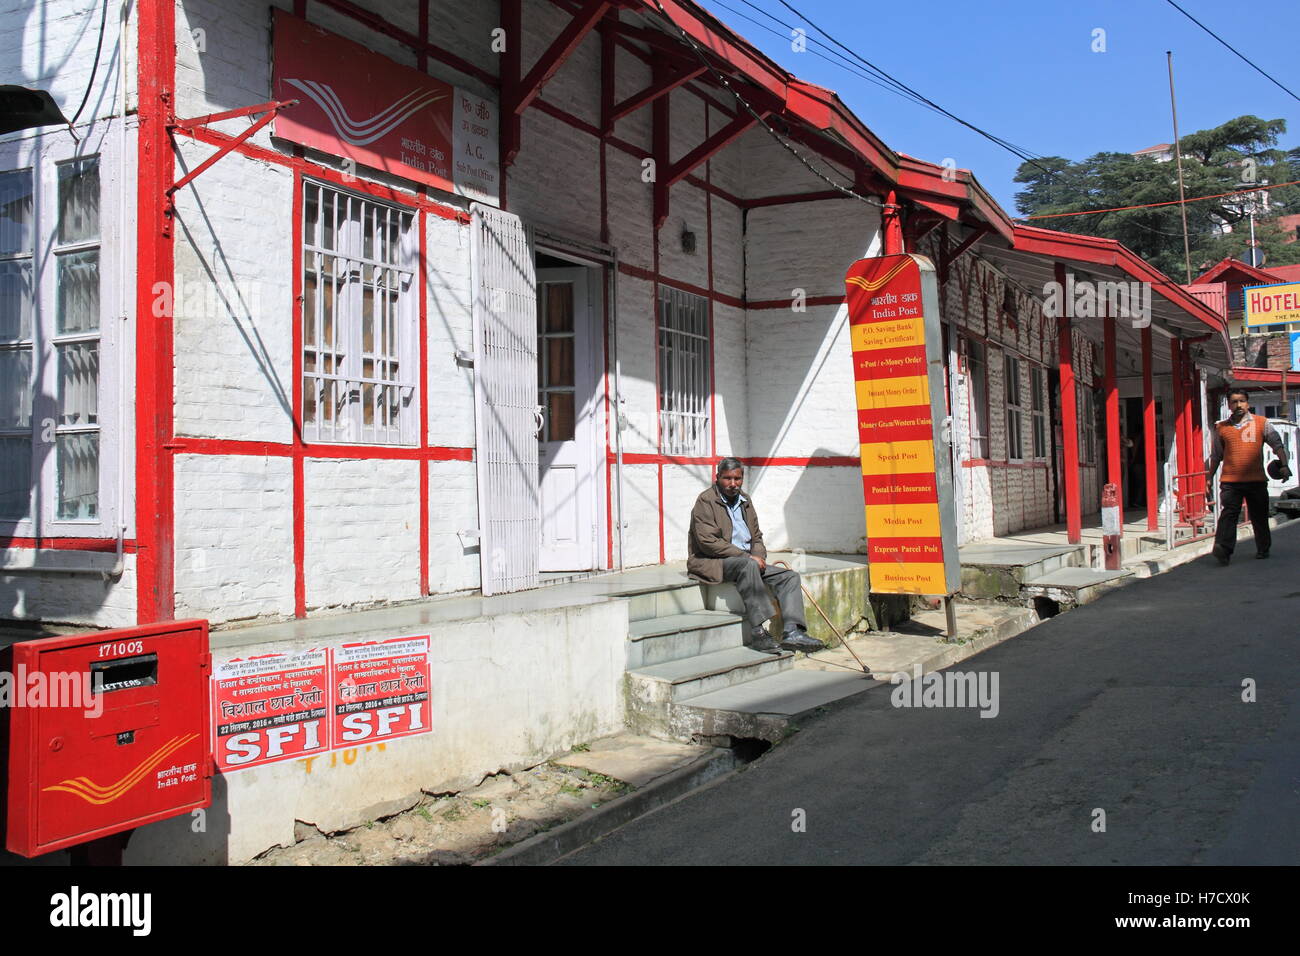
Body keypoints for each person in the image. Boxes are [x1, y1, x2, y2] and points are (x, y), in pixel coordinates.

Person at [687, 458, 824, 654]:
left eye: (737, 478)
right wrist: (747, 557)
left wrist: (757, 555)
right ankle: (759, 632)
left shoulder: (745, 500)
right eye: (727, 478)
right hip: (711, 561)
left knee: (789, 577)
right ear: (717, 478)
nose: (733, 484)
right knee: (747, 565)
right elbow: (708, 542)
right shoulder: (706, 501)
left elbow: (757, 536)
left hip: (746, 561)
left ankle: (792, 632)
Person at [1206, 387, 1290, 564]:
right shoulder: (1221, 428)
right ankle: (1223, 549)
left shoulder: (1262, 423)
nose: (1238, 405)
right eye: (1234, 402)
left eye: (1241, 401)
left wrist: (1284, 465)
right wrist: (1209, 478)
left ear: (1247, 403)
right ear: (1229, 405)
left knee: (1259, 515)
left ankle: (1263, 547)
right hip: (1230, 481)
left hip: (1256, 480)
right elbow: (1216, 456)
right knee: (1229, 514)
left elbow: (1277, 445)